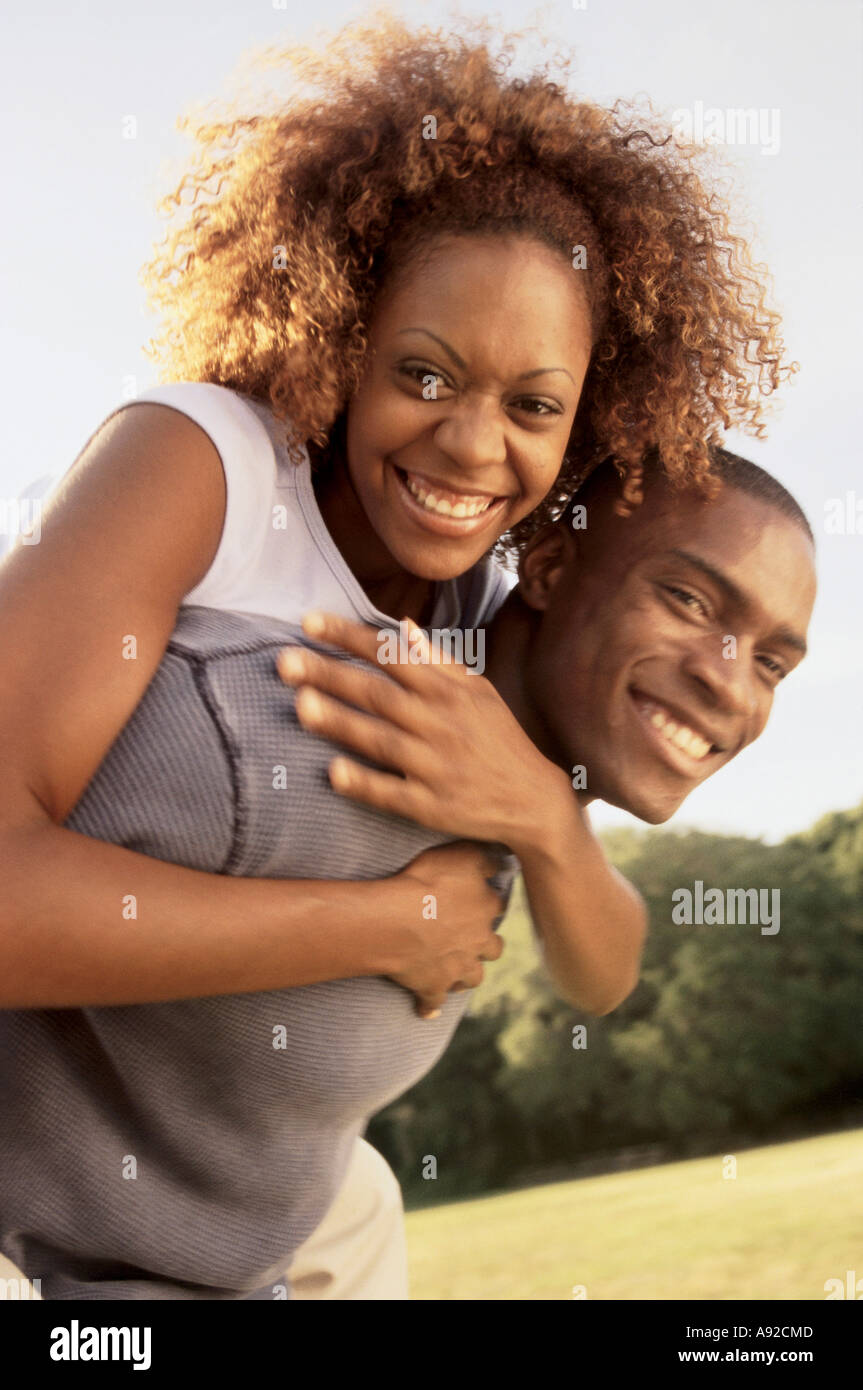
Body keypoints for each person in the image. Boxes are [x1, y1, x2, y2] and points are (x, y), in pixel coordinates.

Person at [0, 448, 815, 1300]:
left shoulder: (527, 784)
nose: (730, 683)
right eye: (687, 600)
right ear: (546, 566)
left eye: (773, 663)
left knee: (361, 1199)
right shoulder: (281, 732)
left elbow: (605, 974)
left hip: (237, 1252)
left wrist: (543, 818)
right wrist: (395, 924)